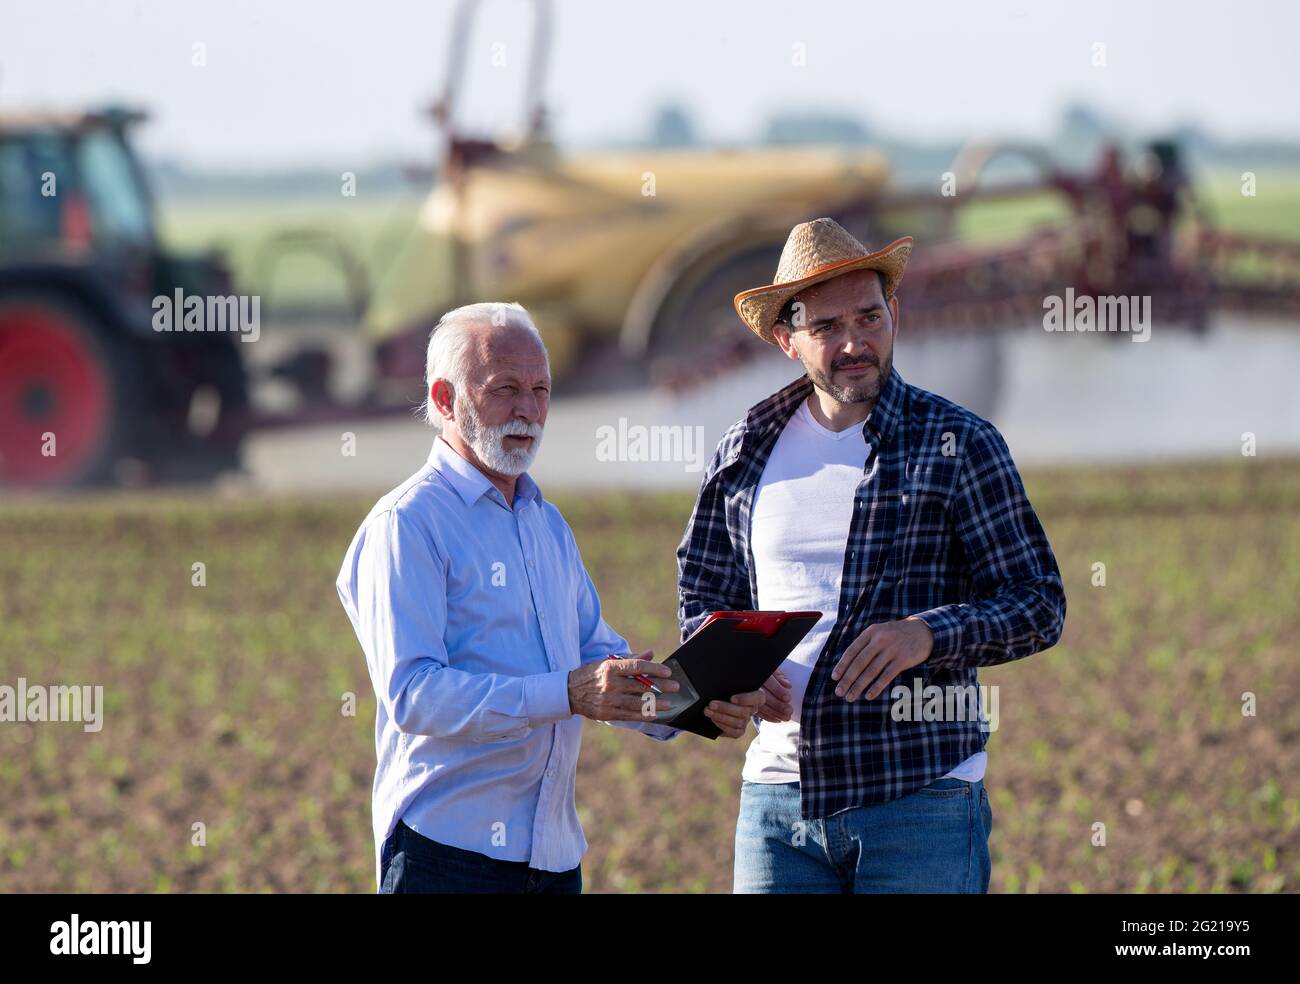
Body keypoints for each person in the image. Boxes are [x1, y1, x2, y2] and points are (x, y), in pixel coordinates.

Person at [676, 218, 1067, 893]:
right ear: (786, 339)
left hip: (921, 802)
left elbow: (1038, 603)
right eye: (827, 327)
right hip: (777, 808)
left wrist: (926, 634)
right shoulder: (744, 450)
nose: (855, 342)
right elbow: (703, 596)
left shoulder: (960, 442)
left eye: (869, 316)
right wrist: (731, 672)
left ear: (896, 312)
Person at [337, 301, 766, 893]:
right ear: (444, 399)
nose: (529, 410)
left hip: (554, 857)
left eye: (541, 389)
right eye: (505, 388)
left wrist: (694, 703)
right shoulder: (407, 524)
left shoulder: (546, 524)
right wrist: (566, 692)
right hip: (446, 855)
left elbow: (602, 660)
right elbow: (415, 695)